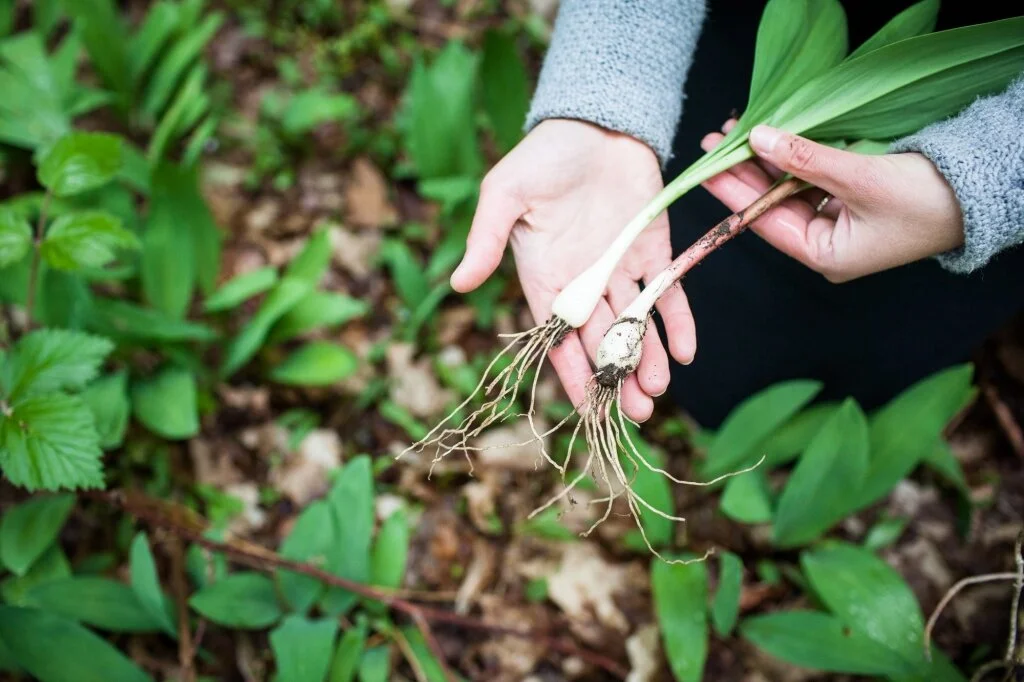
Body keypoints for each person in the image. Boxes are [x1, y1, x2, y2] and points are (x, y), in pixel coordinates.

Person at [449, 0, 1024, 428]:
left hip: (975, 116)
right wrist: (608, 99)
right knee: (716, 326)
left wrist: (972, 190)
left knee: (790, 362)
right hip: (746, 39)